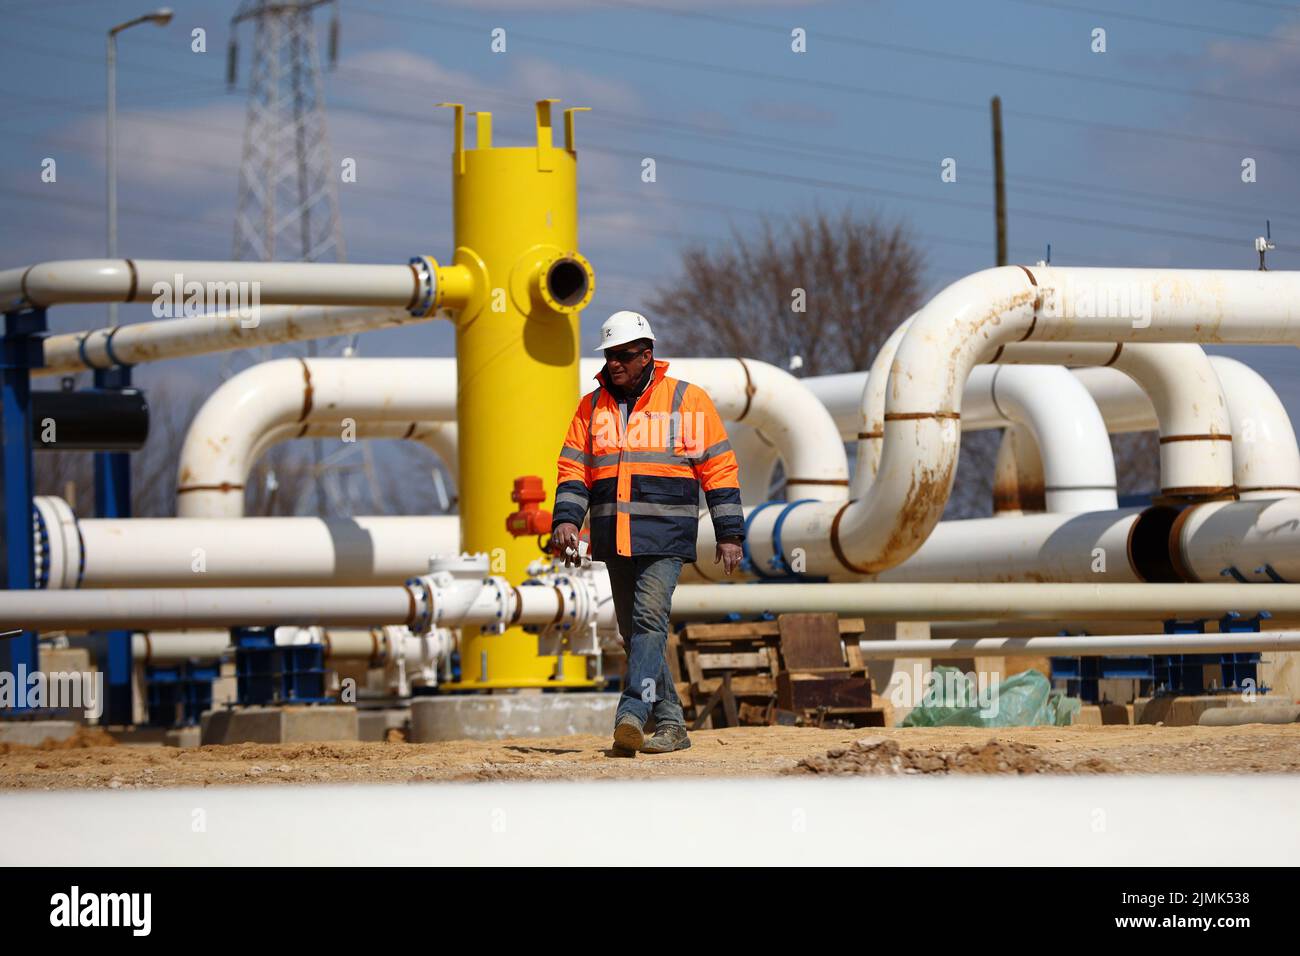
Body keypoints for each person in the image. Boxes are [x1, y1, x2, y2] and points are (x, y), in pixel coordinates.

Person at [550, 310, 745, 754]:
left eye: (622, 355)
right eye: (609, 355)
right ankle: (673, 724)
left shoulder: (685, 401)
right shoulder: (591, 406)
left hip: (665, 535)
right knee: (635, 634)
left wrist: (729, 532)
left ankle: (633, 711)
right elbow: (574, 469)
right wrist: (566, 519)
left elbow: (718, 467)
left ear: (647, 355)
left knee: (648, 621)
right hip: (612, 534)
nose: (613, 363)